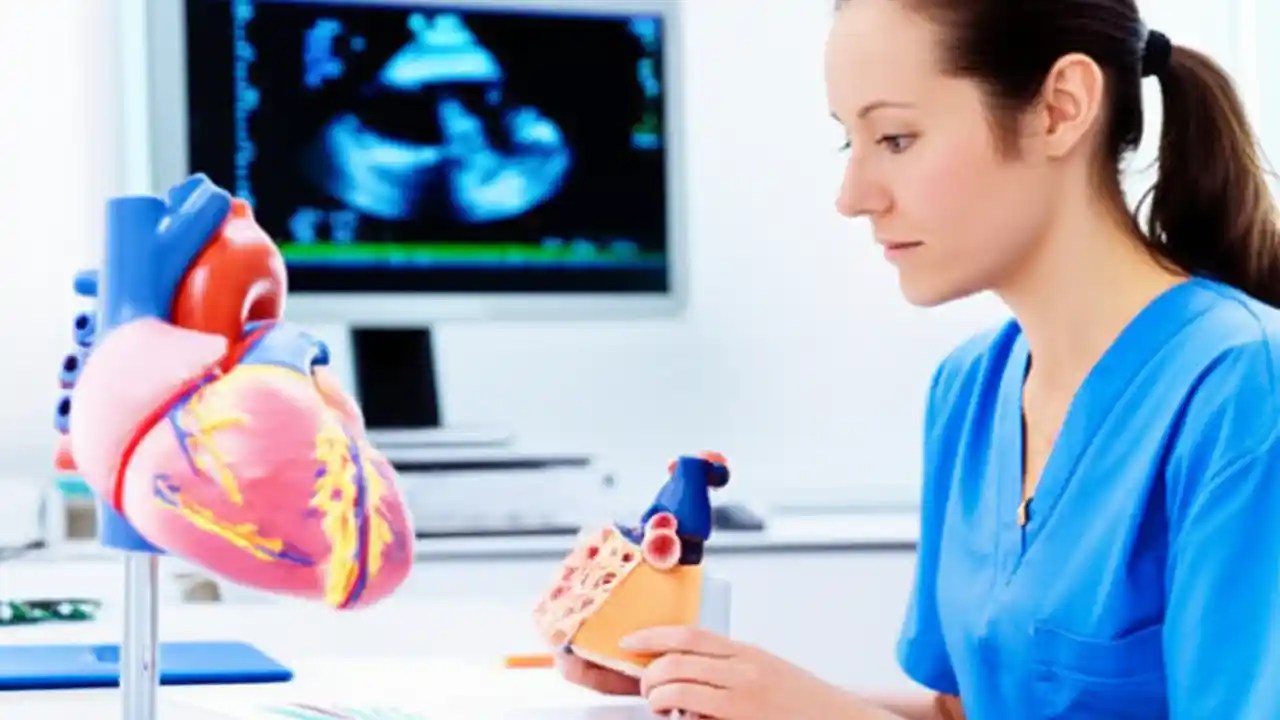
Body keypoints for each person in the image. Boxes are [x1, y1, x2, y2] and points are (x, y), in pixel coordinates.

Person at [555, 0, 1280, 718]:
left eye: (896, 138)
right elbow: (971, 711)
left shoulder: (1244, 390)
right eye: (850, 143)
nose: (852, 196)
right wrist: (712, 687)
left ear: (1060, 108)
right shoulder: (969, 392)